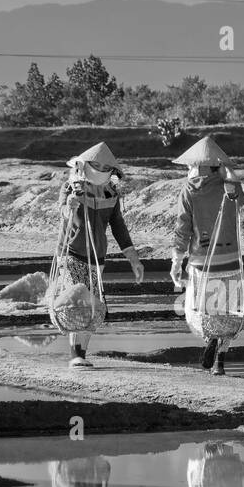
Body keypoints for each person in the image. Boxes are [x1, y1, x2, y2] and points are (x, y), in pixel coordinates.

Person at [51, 142, 144, 369]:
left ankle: (82, 351)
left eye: (105, 166)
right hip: (71, 253)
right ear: (84, 165)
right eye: (96, 164)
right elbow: (63, 211)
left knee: (91, 304)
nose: (100, 169)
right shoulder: (71, 187)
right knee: (76, 301)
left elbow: (118, 226)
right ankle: (75, 354)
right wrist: (70, 207)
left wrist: (133, 258)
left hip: (97, 257)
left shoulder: (110, 193)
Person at [171, 136, 244, 377]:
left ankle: (210, 339)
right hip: (230, 259)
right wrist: (230, 175)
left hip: (201, 262)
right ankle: (220, 361)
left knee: (203, 311)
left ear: (196, 166)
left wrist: (176, 261)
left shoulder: (189, 190)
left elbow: (182, 228)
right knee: (228, 311)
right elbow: (241, 202)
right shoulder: (230, 188)